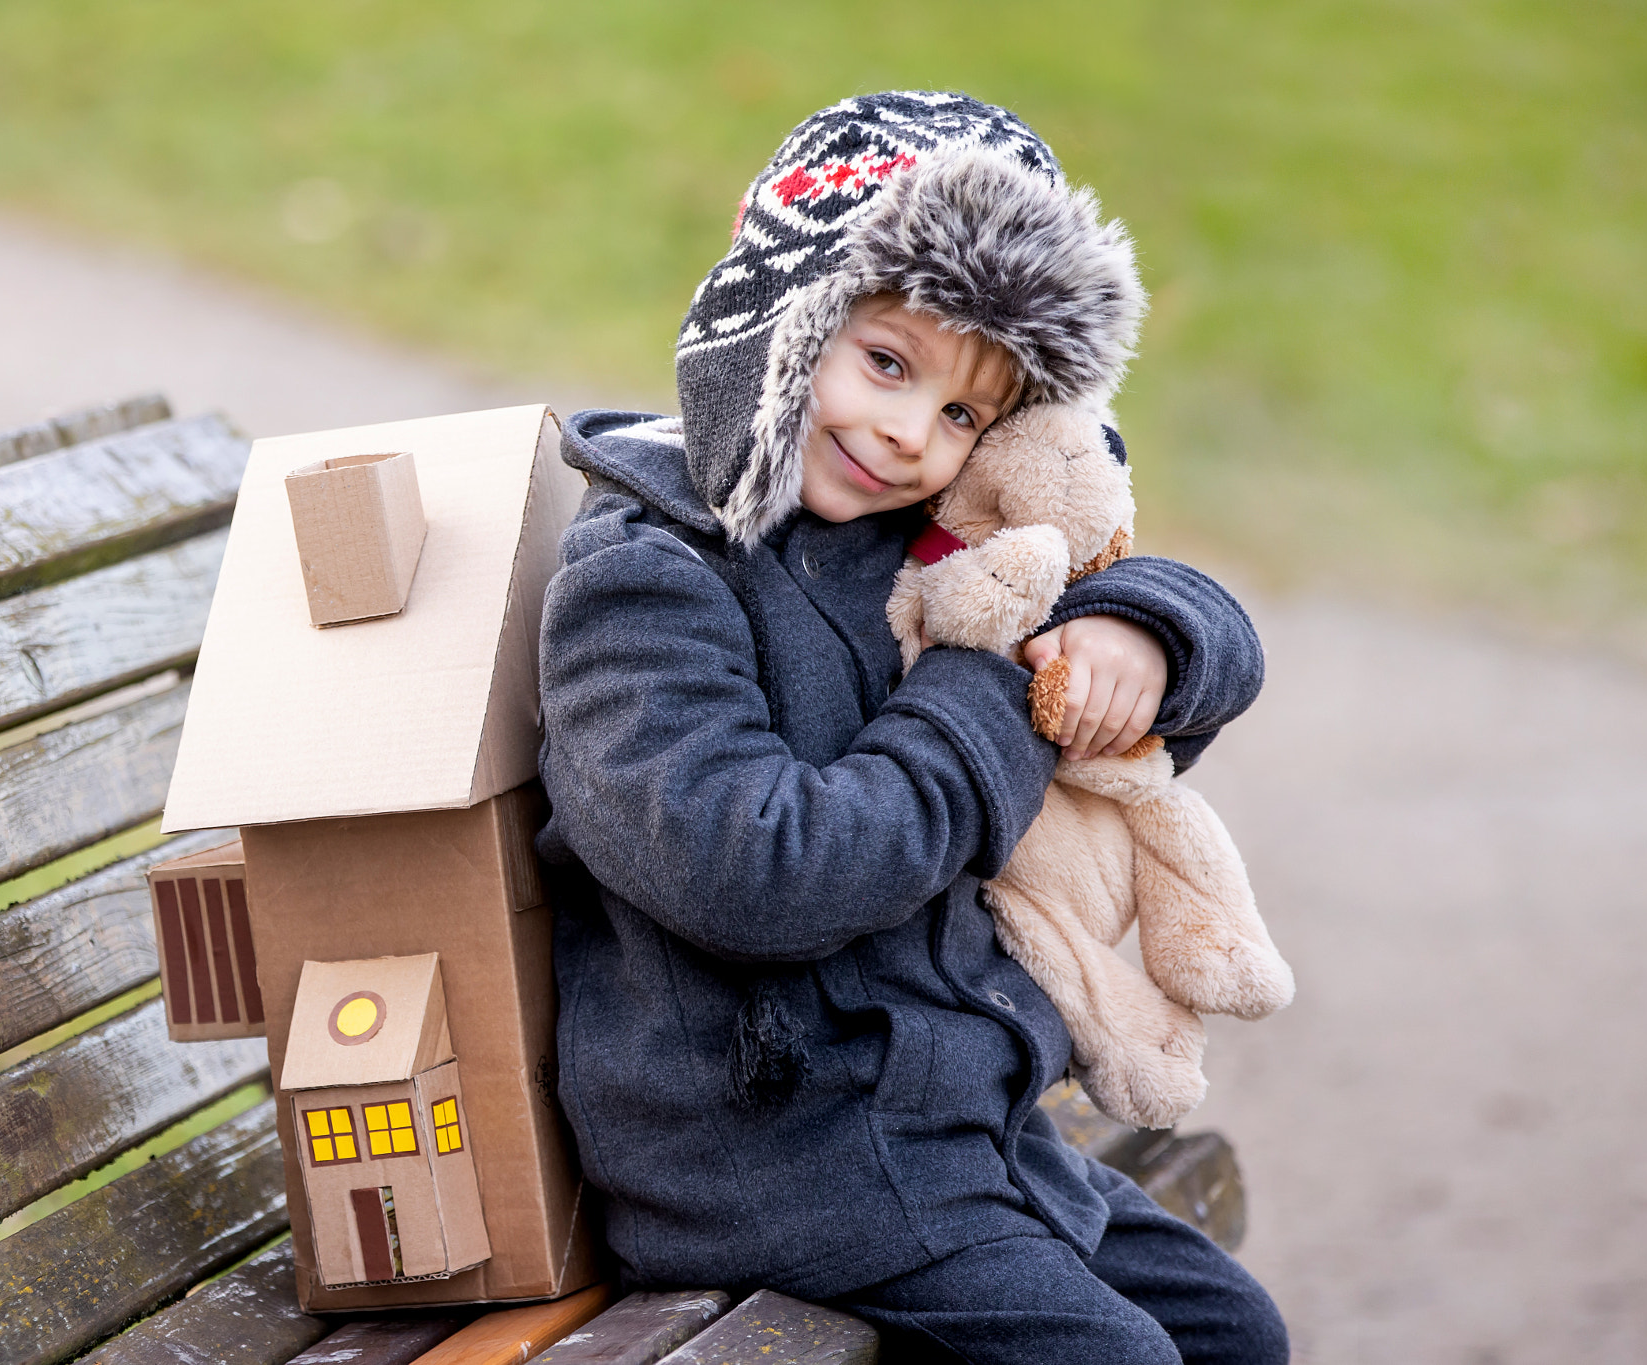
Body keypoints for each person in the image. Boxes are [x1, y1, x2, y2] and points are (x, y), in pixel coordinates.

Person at [534, 91, 1288, 1365]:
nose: (905, 434)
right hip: (772, 1156)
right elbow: (755, 871)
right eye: (885, 362)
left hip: (953, 1124)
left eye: (962, 416)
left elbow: (1177, 667)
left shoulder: (923, 547)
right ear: (783, 319)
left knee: (1231, 1334)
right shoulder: (646, 581)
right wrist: (996, 686)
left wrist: (1139, 634)